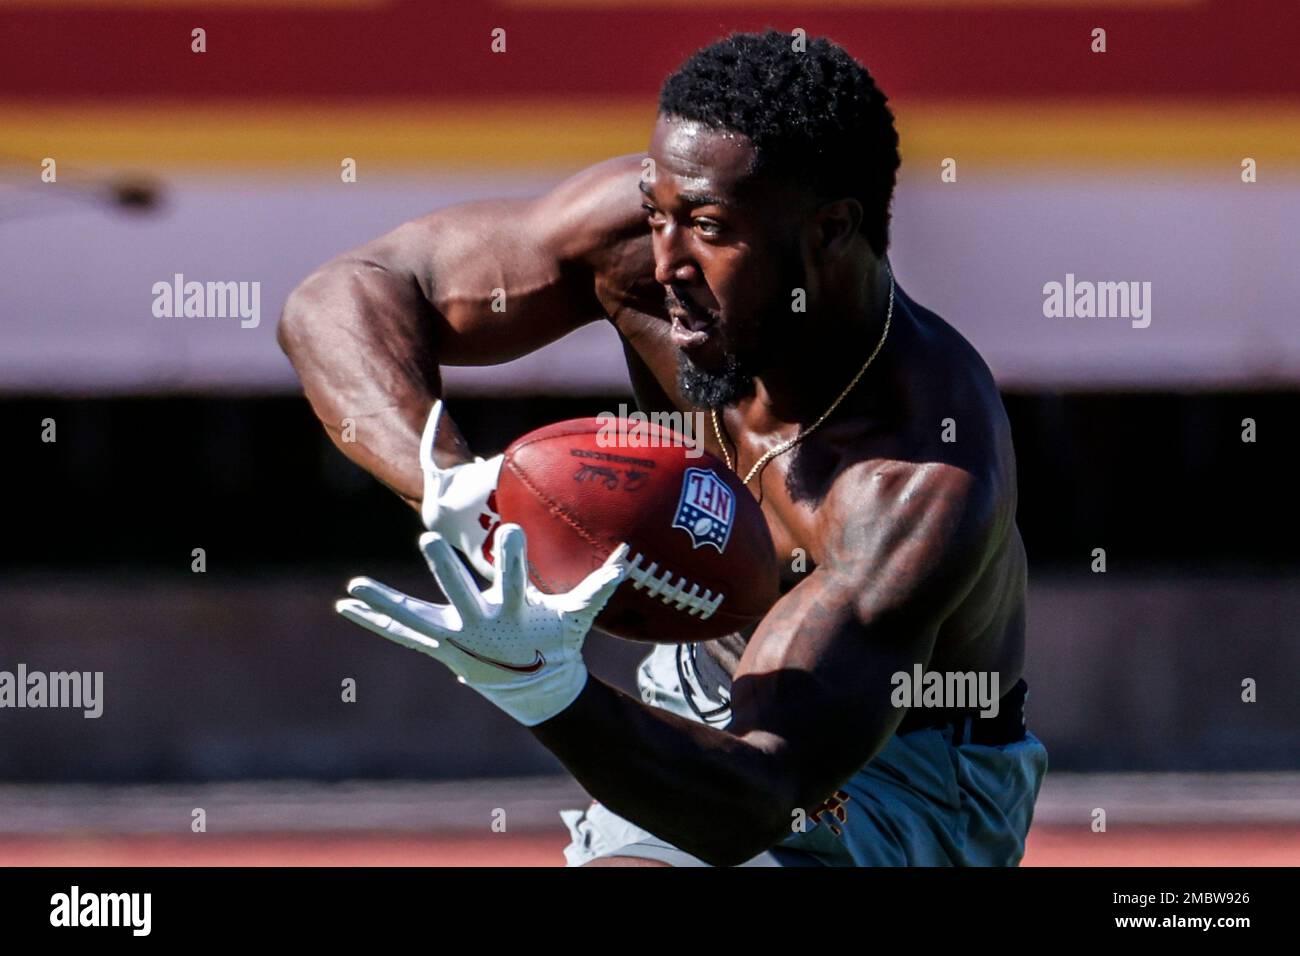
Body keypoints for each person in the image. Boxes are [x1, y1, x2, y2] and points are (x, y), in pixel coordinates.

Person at [279, 30, 1047, 867]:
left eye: (709, 227)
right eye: (655, 212)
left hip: (903, 764)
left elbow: (760, 796)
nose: (665, 258)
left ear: (830, 231)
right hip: (698, 686)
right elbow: (340, 297)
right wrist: (445, 481)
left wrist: (547, 690)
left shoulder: (917, 474)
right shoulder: (647, 245)